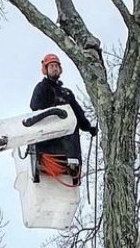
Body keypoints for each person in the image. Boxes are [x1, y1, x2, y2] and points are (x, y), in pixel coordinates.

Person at [30, 53, 97, 182]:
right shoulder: (41, 88)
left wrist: (88, 128)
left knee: (71, 122)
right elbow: (34, 106)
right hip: (48, 138)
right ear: (46, 70)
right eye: (51, 66)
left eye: (56, 66)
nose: (54, 68)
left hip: (67, 142)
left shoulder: (66, 93)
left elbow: (78, 113)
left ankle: (72, 166)